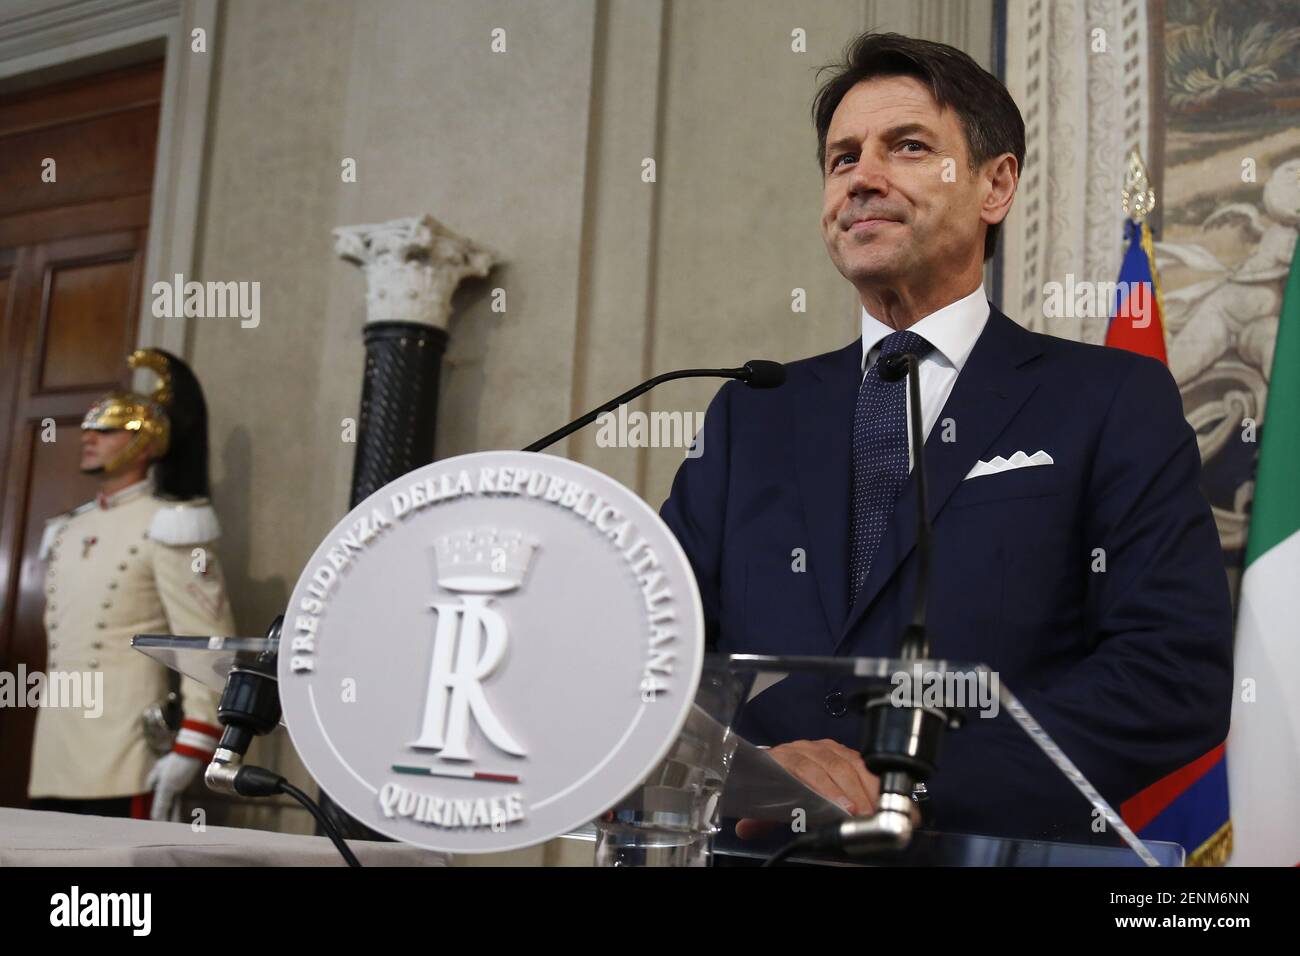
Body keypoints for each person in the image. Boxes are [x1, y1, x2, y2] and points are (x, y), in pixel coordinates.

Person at [659, 32, 1233, 842]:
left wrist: (899, 787)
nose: (862, 177)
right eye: (841, 158)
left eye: (908, 147)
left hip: (982, 851)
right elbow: (652, 663)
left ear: (995, 185)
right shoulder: (751, 413)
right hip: (760, 851)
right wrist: (742, 772)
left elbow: (1172, 675)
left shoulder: (1107, 399)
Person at [29, 348, 236, 821]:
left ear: (146, 442)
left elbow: (205, 639)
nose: (90, 437)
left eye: (108, 429)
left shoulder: (172, 525)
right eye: (89, 428)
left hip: (125, 747)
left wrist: (196, 739)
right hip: (55, 744)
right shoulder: (67, 529)